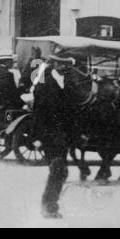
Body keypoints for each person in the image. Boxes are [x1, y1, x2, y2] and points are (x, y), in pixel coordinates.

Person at [32, 53, 78, 219]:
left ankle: (50, 205)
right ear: (54, 63)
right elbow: (38, 112)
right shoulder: (44, 83)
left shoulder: (66, 82)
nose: (65, 67)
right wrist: (37, 136)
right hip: (50, 133)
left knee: (61, 171)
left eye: (67, 64)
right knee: (59, 169)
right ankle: (49, 206)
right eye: (61, 63)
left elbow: (71, 112)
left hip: (61, 134)